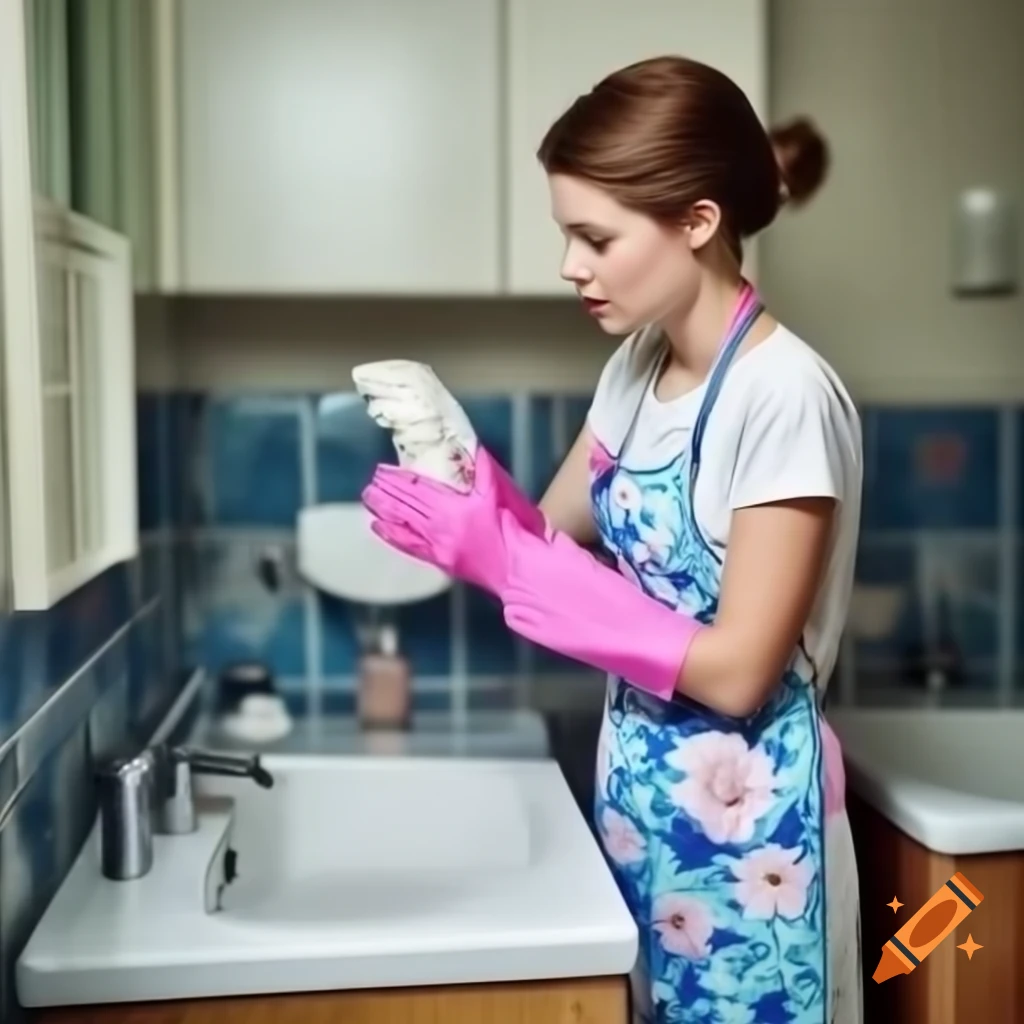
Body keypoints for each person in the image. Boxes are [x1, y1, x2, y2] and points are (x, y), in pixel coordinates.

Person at [363, 54, 862, 1024]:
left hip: (760, 842)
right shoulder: (636, 367)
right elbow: (546, 534)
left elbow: (737, 670)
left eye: (594, 236)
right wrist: (450, 456)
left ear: (698, 222)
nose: (570, 265)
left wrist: (506, 557)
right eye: (565, 234)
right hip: (640, 810)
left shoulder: (783, 397)